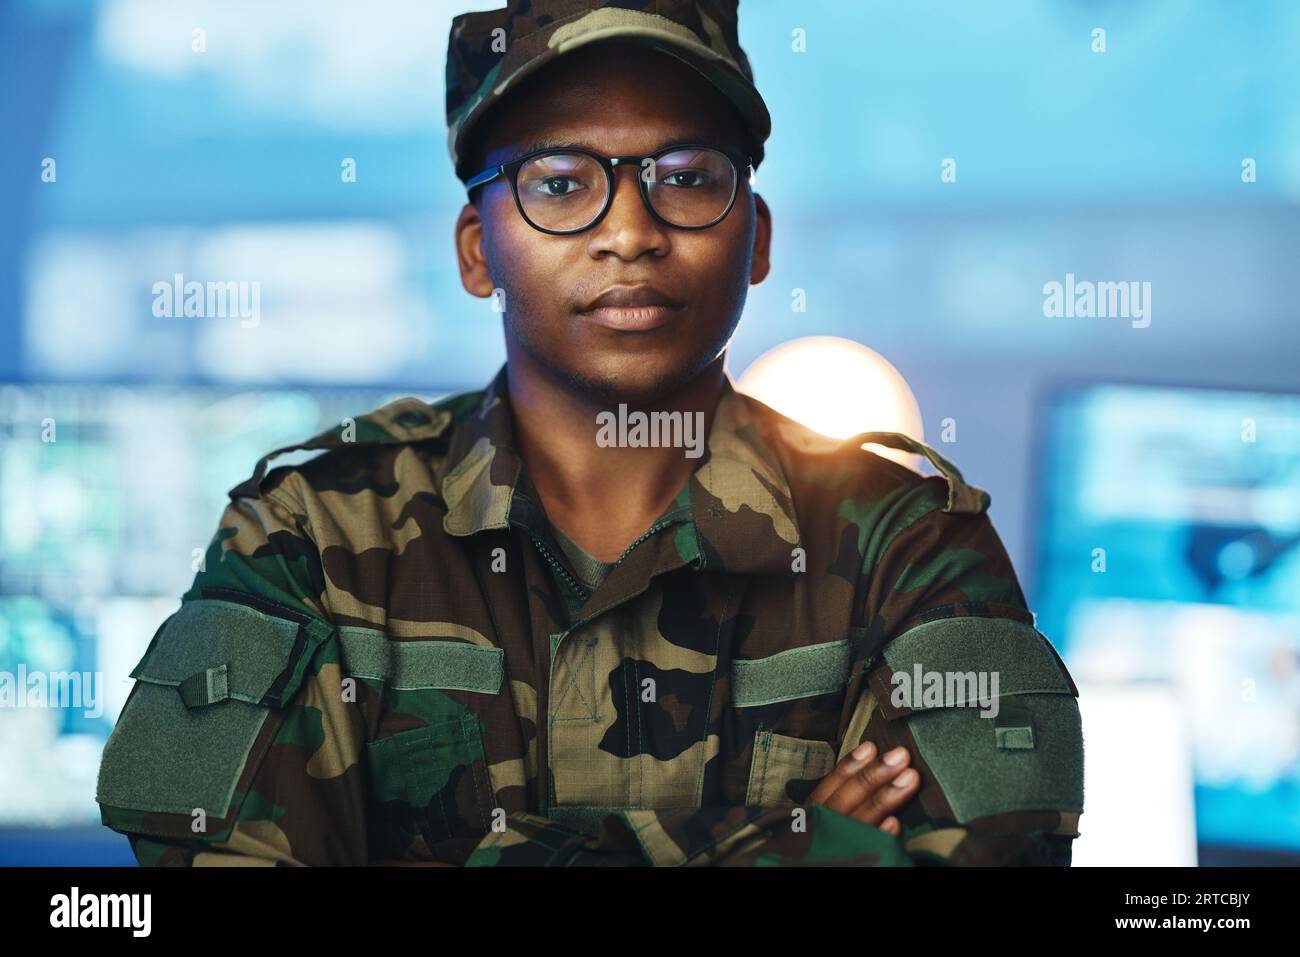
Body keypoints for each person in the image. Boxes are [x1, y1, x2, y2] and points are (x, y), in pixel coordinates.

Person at [96, 0, 1084, 866]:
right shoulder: (307, 538)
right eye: (561, 183)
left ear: (759, 239)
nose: (630, 231)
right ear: (478, 251)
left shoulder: (908, 547)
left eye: (688, 176)